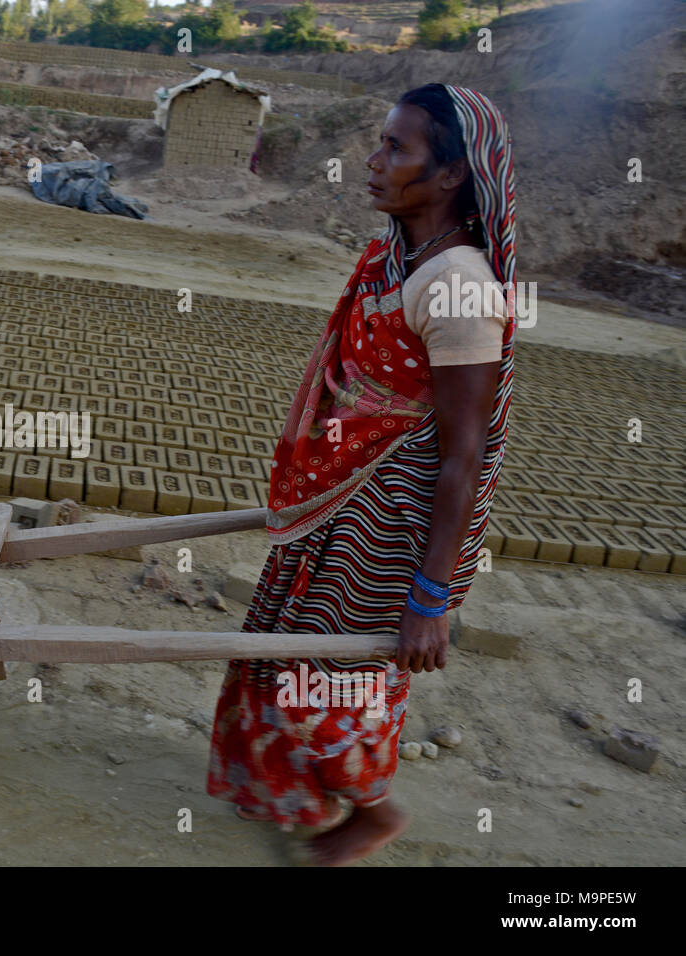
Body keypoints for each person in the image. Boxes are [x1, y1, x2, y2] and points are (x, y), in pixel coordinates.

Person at [207, 83, 518, 866]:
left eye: (396, 150)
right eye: (379, 143)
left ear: (451, 176)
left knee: (336, 672)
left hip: (390, 524)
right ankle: (309, 795)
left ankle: (374, 811)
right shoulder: (394, 253)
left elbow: (464, 454)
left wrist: (430, 597)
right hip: (337, 501)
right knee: (290, 651)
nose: (373, 163)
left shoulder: (458, 288)